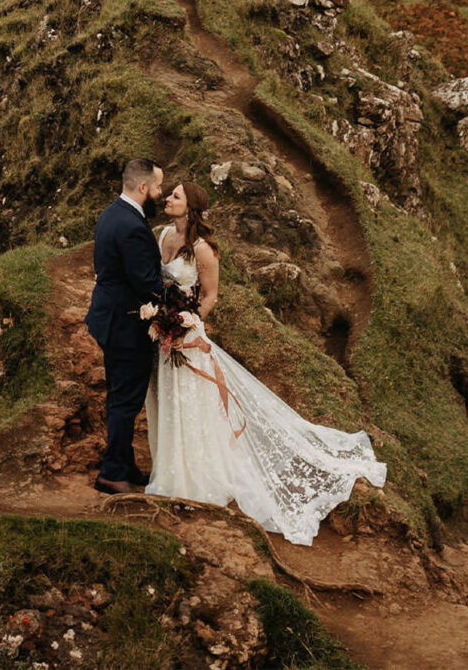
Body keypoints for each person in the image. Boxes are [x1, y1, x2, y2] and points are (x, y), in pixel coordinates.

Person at [144, 180, 386, 545]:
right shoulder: (162, 236)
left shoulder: (204, 250)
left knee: (192, 403)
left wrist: (187, 321)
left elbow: (210, 296)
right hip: (165, 336)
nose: (168, 199)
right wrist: (160, 316)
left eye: (175, 196)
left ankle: (198, 476)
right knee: (172, 402)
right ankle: (174, 471)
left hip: (188, 336)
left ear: (191, 206)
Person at [85, 158, 166, 494]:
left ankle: (124, 463)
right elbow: (145, 281)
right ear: (144, 187)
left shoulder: (111, 213)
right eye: (159, 187)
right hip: (125, 325)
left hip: (110, 317)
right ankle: (112, 472)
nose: (161, 193)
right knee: (125, 401)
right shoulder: (132, 226)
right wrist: (176, 298)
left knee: (121, 397)